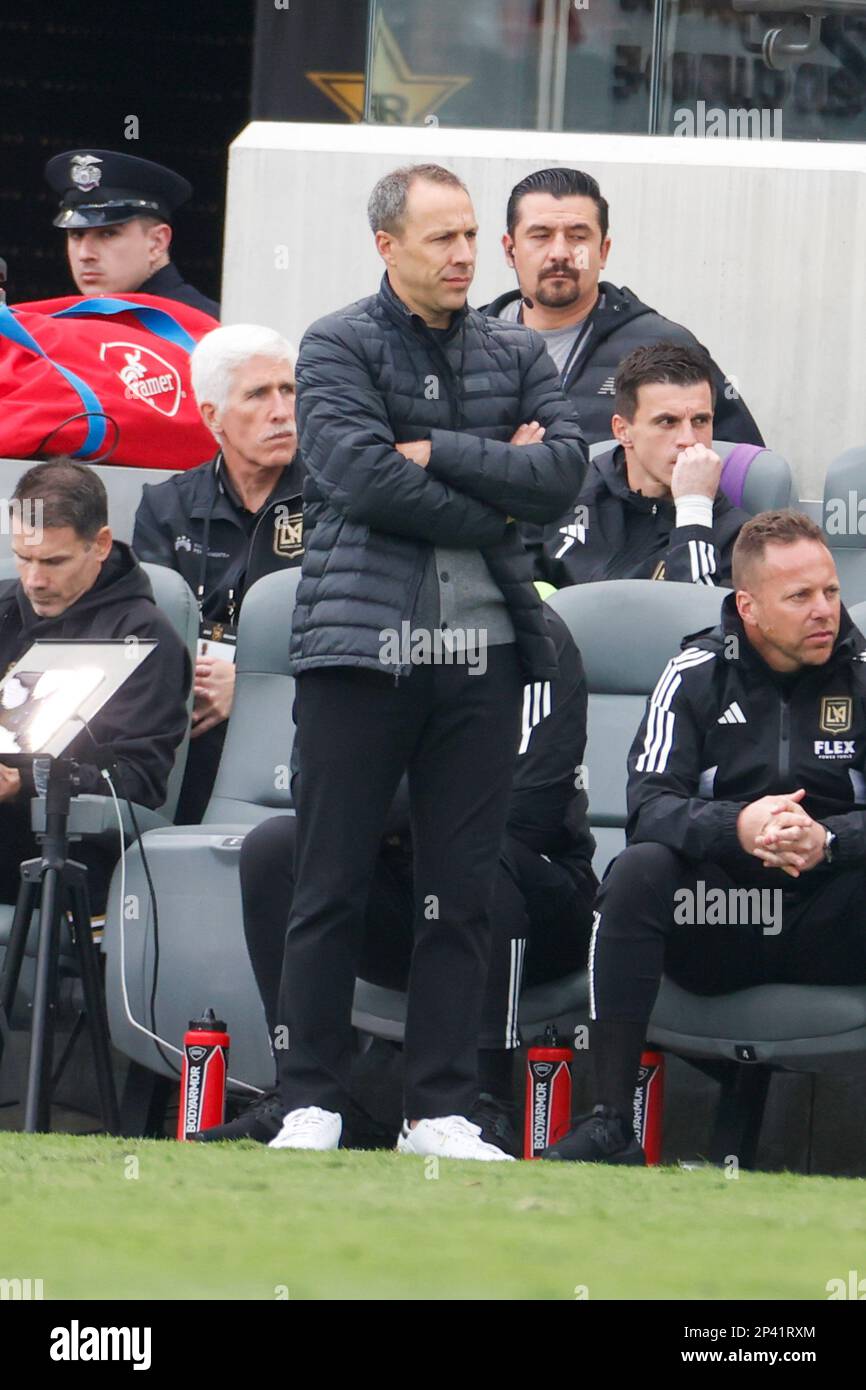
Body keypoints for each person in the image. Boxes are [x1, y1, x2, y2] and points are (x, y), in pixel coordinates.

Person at [270, 161, 587, 1159]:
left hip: (483, 651)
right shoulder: (333, 343)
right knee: (328, 881)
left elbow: (564, 473)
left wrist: (439, 450)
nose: (461, 255)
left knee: (462, 888)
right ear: (385, 246)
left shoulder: (515, 348)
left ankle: (438, 1108)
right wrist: (500, 485)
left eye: (467, 237)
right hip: (358, 647)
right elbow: (362, 481)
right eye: (440, 238)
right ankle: (307, 1097)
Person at [196, 605, 597, 1152]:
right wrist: (410, 807)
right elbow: (314, 788)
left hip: (540, 899)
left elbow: (525, 805)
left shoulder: (531, 636)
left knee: (478, 856)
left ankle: (476, 1104)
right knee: (273, 850)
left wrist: (378, 808)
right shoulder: (355, 632)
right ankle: (305, 1096)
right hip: (401, 891)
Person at [545, 510, 866, 1163]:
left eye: (830, 591)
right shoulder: (694, 669)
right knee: (638, 870)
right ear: (748, 606)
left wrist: (829, 840)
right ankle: (610, 1123)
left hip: (832, 918)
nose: (823, 610)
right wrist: (739, 826)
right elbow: (649, 805)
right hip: (721, 923)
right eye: (799, 596)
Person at [0, 460, 191, 909]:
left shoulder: (145, 639)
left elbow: (137, 785)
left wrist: (22, 783)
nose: (35, 580)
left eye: (54, 561)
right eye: (23, 557)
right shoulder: (5, 606)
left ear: (101, 544)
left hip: (70, 853)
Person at [132, 324, 303, 822]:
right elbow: (151, 631)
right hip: (194, 707)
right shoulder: (166, 506)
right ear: (213, 415)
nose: (281, 411)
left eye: (289, 390)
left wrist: (250, 685)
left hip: (300, 708)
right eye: (258, 394)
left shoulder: (337, 499)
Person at [484, 166, 763, 447]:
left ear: (603, 251)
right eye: (541, 235)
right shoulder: (460, 341)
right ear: (510, 250)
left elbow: (742, 466)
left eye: (578, 236)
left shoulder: (665, 345)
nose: (559, 253)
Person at [534, 344, 750, 589]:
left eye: (700, 420)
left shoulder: (737, 536)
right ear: (622, 431)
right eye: (667, 421)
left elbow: (699, 619)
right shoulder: (568, 493)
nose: (688, 439)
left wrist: (694, 513)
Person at [44, 149, 219, 317]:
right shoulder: (71, 321)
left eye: (108, 234)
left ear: (157, 242)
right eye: (77, 235)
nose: (85, 254)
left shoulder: (206, 330)